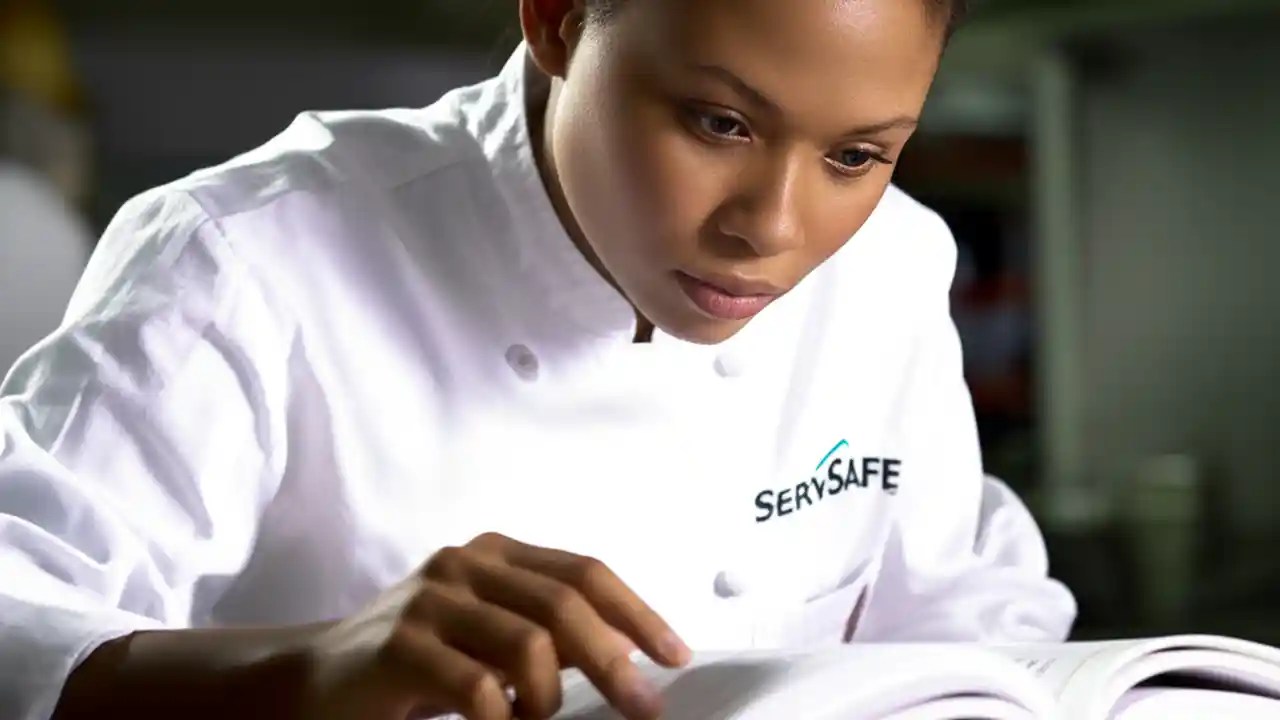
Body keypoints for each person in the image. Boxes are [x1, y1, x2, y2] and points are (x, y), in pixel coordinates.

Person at [0, 1, 1076, 719]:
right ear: (557, 18)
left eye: (855, 155)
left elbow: (955, 610)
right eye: (717, 122)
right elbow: (19, 627)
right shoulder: (246, 255)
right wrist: (318, 665)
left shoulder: (891, 261)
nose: (773, 230)